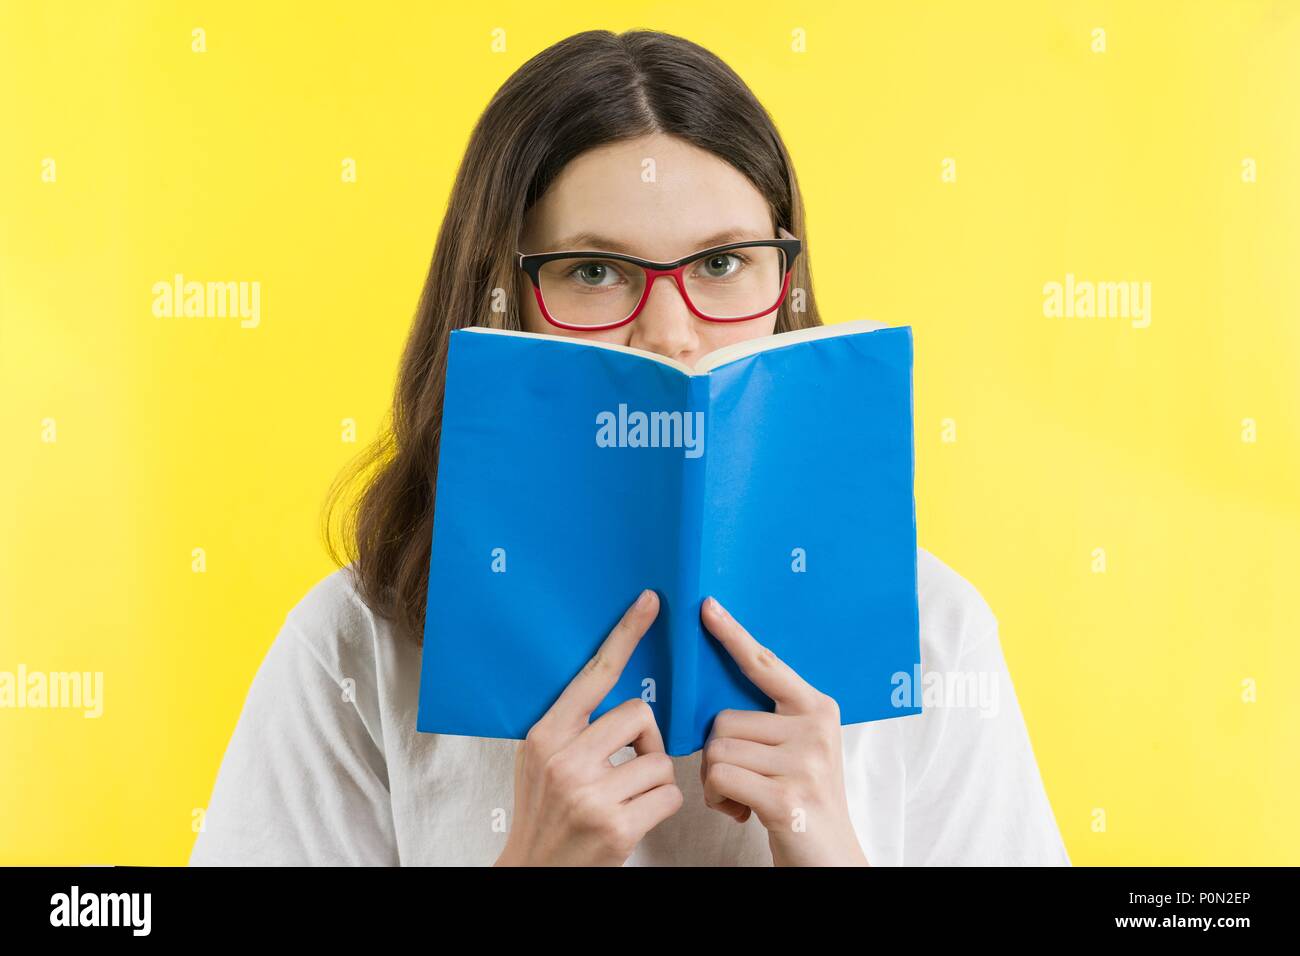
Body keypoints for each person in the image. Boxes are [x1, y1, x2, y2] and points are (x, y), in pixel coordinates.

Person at [189, 29, 1069, 866]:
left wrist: (828, 846)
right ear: (503, 296)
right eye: (594, 272)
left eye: (723, 264)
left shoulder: (935, 629)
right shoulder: (355, 647)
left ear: (786, 285)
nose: (670, 334)